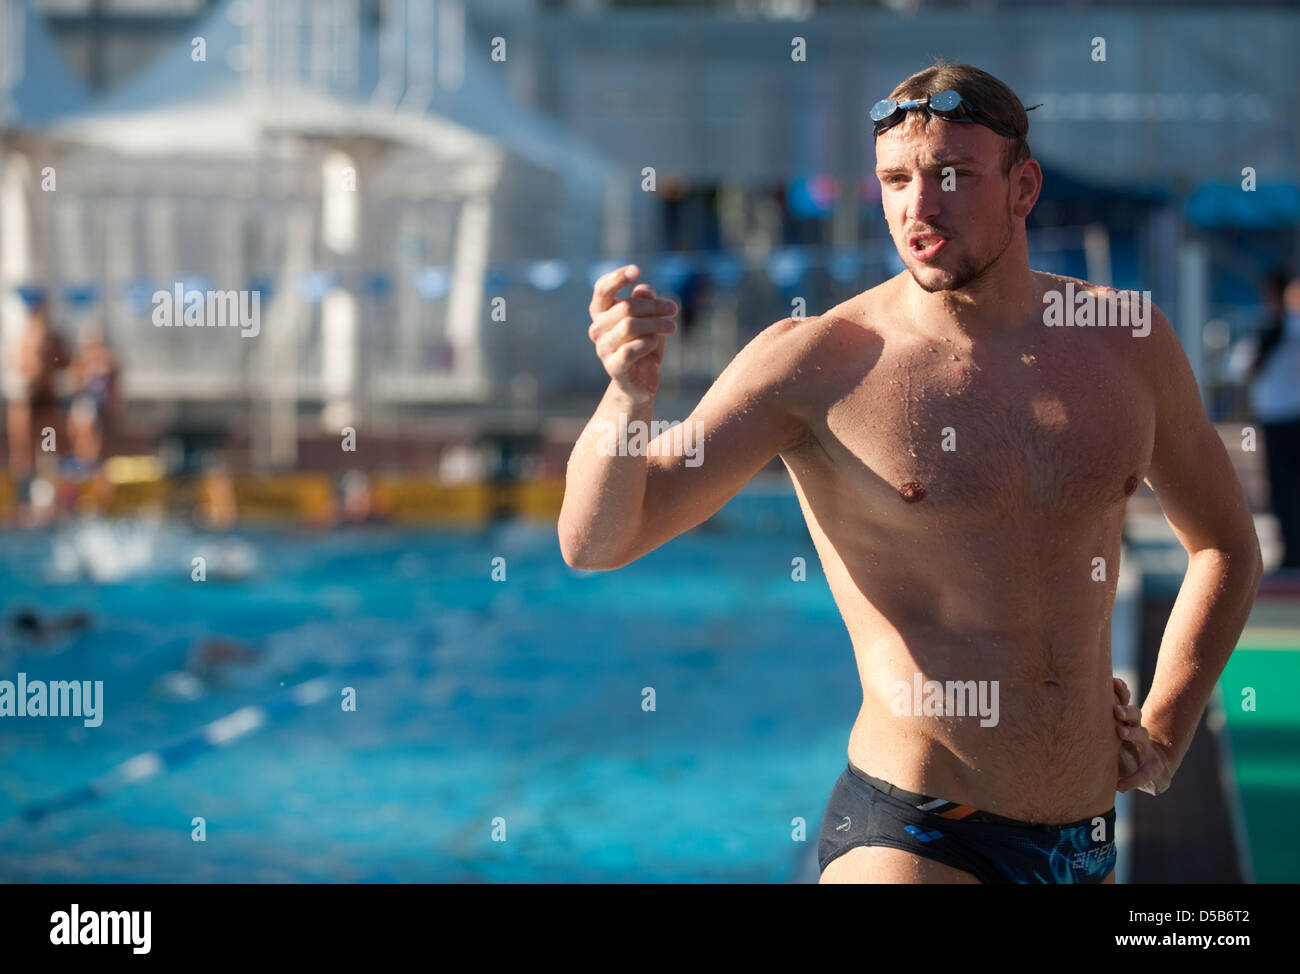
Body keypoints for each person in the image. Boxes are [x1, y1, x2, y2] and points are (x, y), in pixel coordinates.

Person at [558, 60, 1261, 884]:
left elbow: (1223, 546)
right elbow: (598, 540)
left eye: (952, 176)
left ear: (1023, 187)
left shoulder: (1125, 341)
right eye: (896, 179)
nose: (917, 206)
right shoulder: (822, 361)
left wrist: (1167, 730)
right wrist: (626, 397)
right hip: (918, 832)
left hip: (1085, 840)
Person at [1248, 271, 1300, 573]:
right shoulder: (1284, 329)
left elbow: (1248, 368)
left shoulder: (1274, 330)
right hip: (1289, 416)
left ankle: (1292, 551)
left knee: (1282, 489)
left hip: (1279, 419)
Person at [6, 295, 70, 483]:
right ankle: (24, 487)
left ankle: (52, 486)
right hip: (28, 395)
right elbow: (18, 367)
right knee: (23, 448)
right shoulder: (24, 337)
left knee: (53, 446)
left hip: (46, 395)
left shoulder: (53, 337)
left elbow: (65, 362)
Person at [67, 326, 120, 468]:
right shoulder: (82, 360)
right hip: (87, 403)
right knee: (84, 435)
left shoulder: (109, 361)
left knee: (101, 439)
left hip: (101, 405)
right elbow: (73, 382)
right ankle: (84, 464)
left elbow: (115, 387)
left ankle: (93, 465)